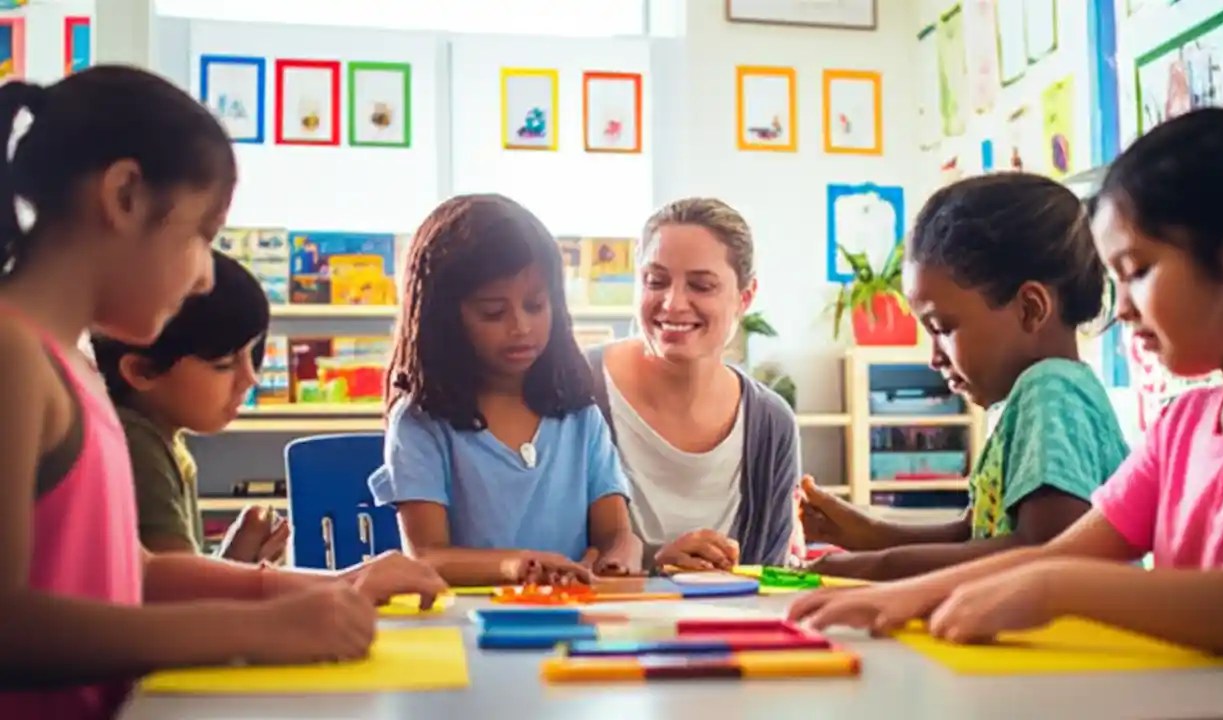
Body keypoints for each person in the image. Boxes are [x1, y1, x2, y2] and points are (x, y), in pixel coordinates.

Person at [0, 67, 443, 720]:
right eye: (202, 236)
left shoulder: (71, 369)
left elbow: (140, 572)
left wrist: (332, 586)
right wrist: (261, 631)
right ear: (124, 195)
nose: (206, 275)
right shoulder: (13, 356)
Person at [788, 107, 1223, 657]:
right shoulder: (1180, 430)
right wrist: (903, 595)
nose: (1122, 310)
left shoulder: (1064, 393)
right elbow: (1059, 553)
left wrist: (1057, 587)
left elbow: (1055, 564)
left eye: (1138, 271)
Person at [801, 173, 1128, 581]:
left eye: (943, 328)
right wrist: (870, 534)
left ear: (1029, 308)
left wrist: (877, 567)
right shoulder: (1035, 397)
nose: (934, 358)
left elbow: (1046, 551)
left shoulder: (1052, 392)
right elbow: (972, 536)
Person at [370, 193, 642, 586]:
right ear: (445, 318)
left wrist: (622, 550)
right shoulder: (421, 421)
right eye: (493, 312)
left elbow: (614, 532)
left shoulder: (580, 413)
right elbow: (427, 555)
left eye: (535, 305)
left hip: (573, 619)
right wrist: (518, 566)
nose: (520, 327)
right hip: (466, 626)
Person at [584, 197, 801, 571]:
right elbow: (543, 551)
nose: (672, 303)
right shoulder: (577, 386)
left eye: (701, 286)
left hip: (728, 625)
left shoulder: (770, 424)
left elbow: (769, 577)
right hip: (601, 626)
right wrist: (655, 566)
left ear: (744, 297)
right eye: (656, 281)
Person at [91, 250, 289, 563]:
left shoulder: (163, 440)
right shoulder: (137, 444)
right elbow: (173, 602)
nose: (250, 379)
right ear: (143, 370)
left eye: (252, 355)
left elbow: (177, 586)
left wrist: (236, 559)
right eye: (224, 364)